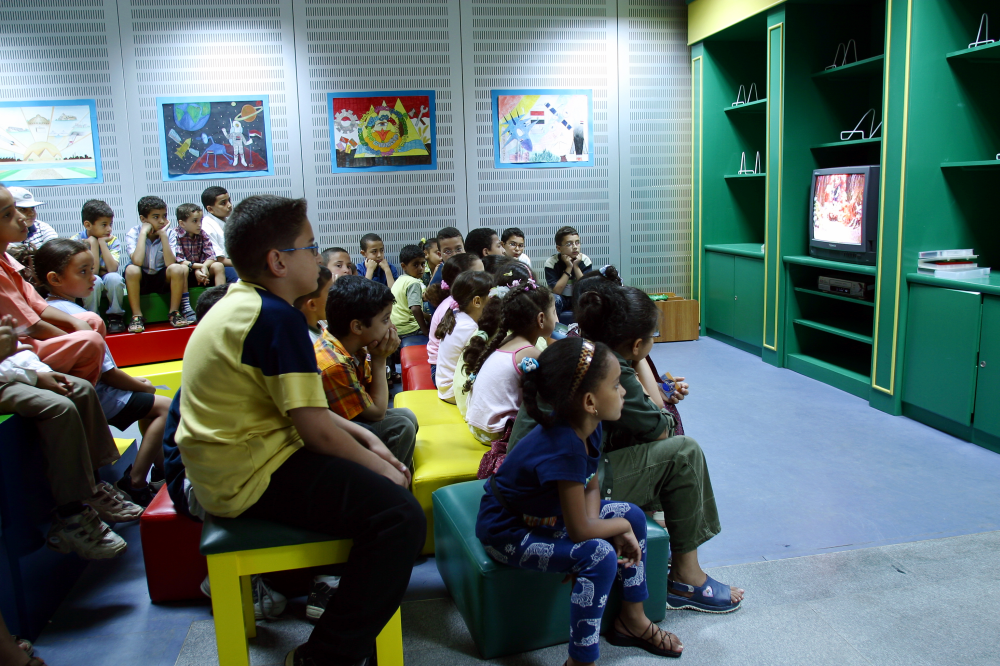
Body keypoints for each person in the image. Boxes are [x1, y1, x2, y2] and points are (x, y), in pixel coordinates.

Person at [176, 194, 423, 666]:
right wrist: (388, 470)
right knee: (400, 516)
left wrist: (371, 441)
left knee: (381, 475)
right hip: (246, 476)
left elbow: (302, 408)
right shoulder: (276, 319)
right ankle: (324, 656)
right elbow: (316, 433)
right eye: (310, 247)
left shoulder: (248, 303)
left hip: (242, 460)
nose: (317, 254)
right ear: (277, 261)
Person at [511, 267, 744, 614]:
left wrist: (645, 372)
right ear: (636, 344)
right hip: (557, 492)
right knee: (684, 453)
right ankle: (687, 578)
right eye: (653, 336)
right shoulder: (610, 368)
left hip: (535, 479)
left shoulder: (581, 346)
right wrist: (644, 372)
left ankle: (670, 556)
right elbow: (665, 427)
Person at [476, 337, 683, 665]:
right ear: (590, 401)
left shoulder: (590, 425)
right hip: (509, 529)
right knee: (600, 555)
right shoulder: (565, 445)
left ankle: (632, 619)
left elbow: (590, 484)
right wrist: (610, 528)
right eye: (616, 385)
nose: (625, 392)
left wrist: (609, 525)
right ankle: (581, 659)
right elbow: (580, 531)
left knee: (634, 516)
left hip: (548, 515)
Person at [34, 239, 171, 507]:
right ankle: (136, 482)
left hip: (91, 392)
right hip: (96, 397)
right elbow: (107, 374)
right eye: (83, 272)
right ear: (54, 279)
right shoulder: (76, 316)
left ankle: (162, 473)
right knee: (165, 407)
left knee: (151, 403)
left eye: (92, 270)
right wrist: (139, 386)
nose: (93, 278)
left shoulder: (57, 311)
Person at [0, 313, 144, 560]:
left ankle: (93, 487)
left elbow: (17, 349)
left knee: (81, 389)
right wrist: (31, 376)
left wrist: (39, 371)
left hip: (8, 372)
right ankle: (71, 516)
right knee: (59, 407)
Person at [0, 186, 106, 385]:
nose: (22, 217)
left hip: (28, 335)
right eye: (8, 214)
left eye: (17, 209)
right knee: (90, 341)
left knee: (92, 320)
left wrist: (76, 325)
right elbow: (30, 325)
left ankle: (93, 384)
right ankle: (79, 392)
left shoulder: (5, 258)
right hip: (16, 348)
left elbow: (37, 305)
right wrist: (75, 336)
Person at [317, 275, 417, 472]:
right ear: (357, 326)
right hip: (333, 436)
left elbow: (371, 396)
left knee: (406, 416)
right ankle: (388, 489)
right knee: (401, 426)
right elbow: (377, 412)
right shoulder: (334, 363)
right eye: (385, 319)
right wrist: (380, 360)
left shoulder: (355, 346)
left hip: (352, 419)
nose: (391, 326)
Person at [463, 277, 556, 449]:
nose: (557, 319)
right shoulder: (529, 352)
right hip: (499, 433)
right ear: (541, 319)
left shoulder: (506, 341)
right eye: (554, 312)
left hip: (479, 426)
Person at [122, 196, 190, 332]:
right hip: (143, 278)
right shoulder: (134, 233)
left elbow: (170, 262)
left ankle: (174, 313)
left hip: (161, 277)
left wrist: (163, 236)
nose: (162, 221)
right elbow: (137, 261)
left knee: (177, 268)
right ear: (143, 219)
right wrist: (143, 233)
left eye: (164, 216)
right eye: (156, 217)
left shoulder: (170, 233)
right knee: (131, 269)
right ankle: (137, 316)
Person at [435, 270, 493, 404]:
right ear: (477, 301)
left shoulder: (459, 317)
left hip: (446, 388)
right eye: (492, 296)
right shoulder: (470, 328)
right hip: (454, 391)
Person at [423, 253, 482, 384]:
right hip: (441, 370)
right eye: (480, 275)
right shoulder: (452, 308)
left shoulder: (463, 302)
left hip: (452, 366)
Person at [70, 200, 128, 333]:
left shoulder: (111, 240)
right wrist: (93, 244)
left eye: (110, 224)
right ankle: (93, 317)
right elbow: (94, 271)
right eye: (104, 225)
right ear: (88, 224)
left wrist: (101, 243)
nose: (109, 229)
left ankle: (116, 317)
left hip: (106, 276)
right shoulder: (75, 242)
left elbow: (112, 269)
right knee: (94, 280)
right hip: (87, 281)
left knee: (114, 278)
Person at [169, 203, 228, 315]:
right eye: (195, 221)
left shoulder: (202, 234)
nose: (199, 224)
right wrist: (200, 267)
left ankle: (220, 303)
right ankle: (186, 307)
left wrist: (204, 267)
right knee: (183, 268)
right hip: (187, 271)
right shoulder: (175, 235)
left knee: (218, 266)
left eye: (200, 220)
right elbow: (179, 259)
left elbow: (211, 256)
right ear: (182, 223)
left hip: (202, 270)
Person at [545, 226, 594, 324]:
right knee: (553, 299)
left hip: (578, 297)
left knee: (591, 299)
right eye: (569, 244)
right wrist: (568, 267)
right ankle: (555, 333)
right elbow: (557, 291)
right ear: (559, 248)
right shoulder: (551, 262)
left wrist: (576, 266)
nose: (575, 247)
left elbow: (586, 288)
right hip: (561, 298)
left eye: (577, 242)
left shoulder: (585, 260)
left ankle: (587, 334)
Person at [390, 245, 429, 347]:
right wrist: (425, 331)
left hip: (397, 328)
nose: (421, 268)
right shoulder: (413, 283)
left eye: (423, 264)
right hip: (409, 329)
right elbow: (415, 308)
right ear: (404, 266)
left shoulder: (400, 280)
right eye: (415, 265)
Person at [200, 185, 239, 283]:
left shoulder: (228, 221)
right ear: (210, 209)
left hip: (232, 263)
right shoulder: (207, 226)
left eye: (229, 200)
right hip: (218, 267)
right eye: (223, 203)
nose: (229, 205)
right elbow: (220, 260)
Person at [5, 186, 56, 252]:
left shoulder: (42, 227)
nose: (31, 214)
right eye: (23, 209)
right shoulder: (3, 233)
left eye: (32, 208)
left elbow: (54, 252)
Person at [294, 266, 333, 344]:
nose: (335, 297)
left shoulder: (321, 326)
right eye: (331, 292)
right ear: (312, 305)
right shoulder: (306, 341)